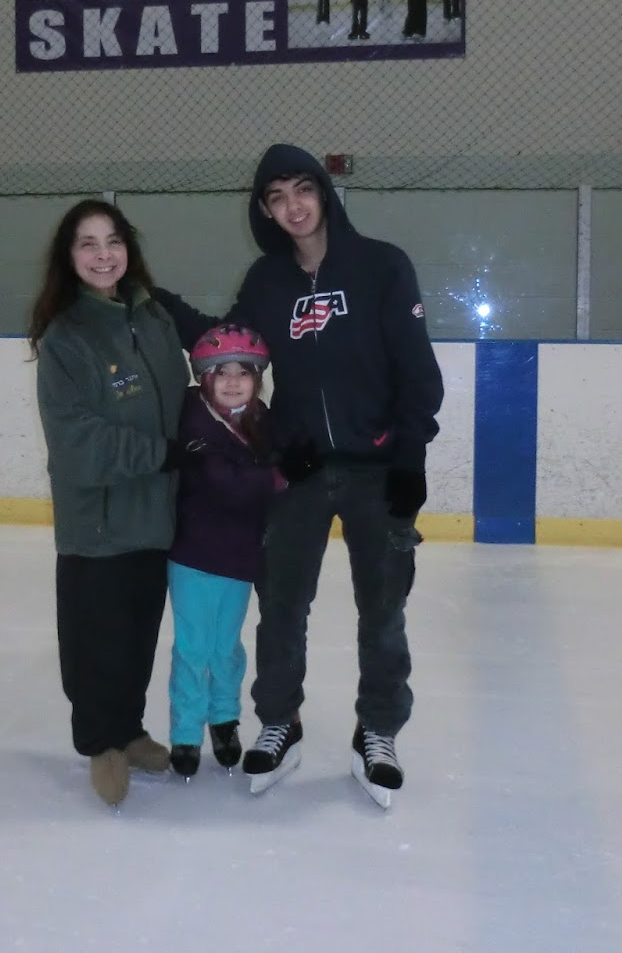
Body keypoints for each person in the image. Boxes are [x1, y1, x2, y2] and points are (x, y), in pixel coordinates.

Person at [155, 144, 444, 808]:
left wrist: (410, 456)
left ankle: (377, 730)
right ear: (264, 210)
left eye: (302, 189)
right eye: (276, 197)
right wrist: (162, 303)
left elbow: (416, 368)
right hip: (299, 468)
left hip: (378, 467)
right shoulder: (267, 281)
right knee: (282, 604)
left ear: (323, 192)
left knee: (383, 608)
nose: (293, 206)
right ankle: (279, 721)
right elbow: (229, 343)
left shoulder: (382, 266)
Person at [30, 199, 191, 807]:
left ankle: (128, 729)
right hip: (97, 521)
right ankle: (101, 743)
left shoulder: (153, 317)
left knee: (138, 633)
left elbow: (179, 400)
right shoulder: (66, 337)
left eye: (113, 240)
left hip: (155, 512)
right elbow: (76, 441)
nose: (103, 255)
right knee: (95, 641)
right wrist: (162, 453)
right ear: (69, 257)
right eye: (88, 243)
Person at [165, 324, 283, 780]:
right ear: (204, 378)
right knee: (193, 646)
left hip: (239, 557)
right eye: (222, 373)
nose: (233, 382)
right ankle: (186, 733)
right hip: (194, 555)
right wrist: (281, 476)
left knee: (225, 645)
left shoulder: (263, 421)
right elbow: (227, 483)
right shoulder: (194, 423)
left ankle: (224, 718)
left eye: (243, 373)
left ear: (257, 379)